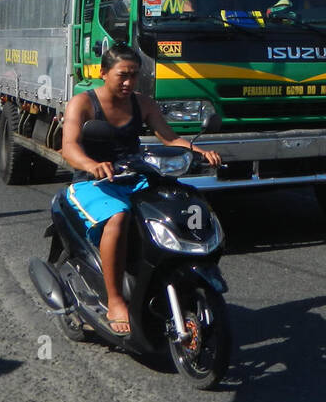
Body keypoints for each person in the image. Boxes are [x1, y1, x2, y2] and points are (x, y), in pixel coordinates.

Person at [59, 45, 221, 336]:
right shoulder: (83, 103)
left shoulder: (143, 103)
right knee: (119, 217)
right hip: (91, 182)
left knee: (181, 203)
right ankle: (116, 300)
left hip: (135, 177)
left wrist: (199, 151)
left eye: (134, 76)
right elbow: (68, 146)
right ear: (103, 73)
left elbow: (170, 139)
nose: (128, 82)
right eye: (122, 75)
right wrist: (91, 163)